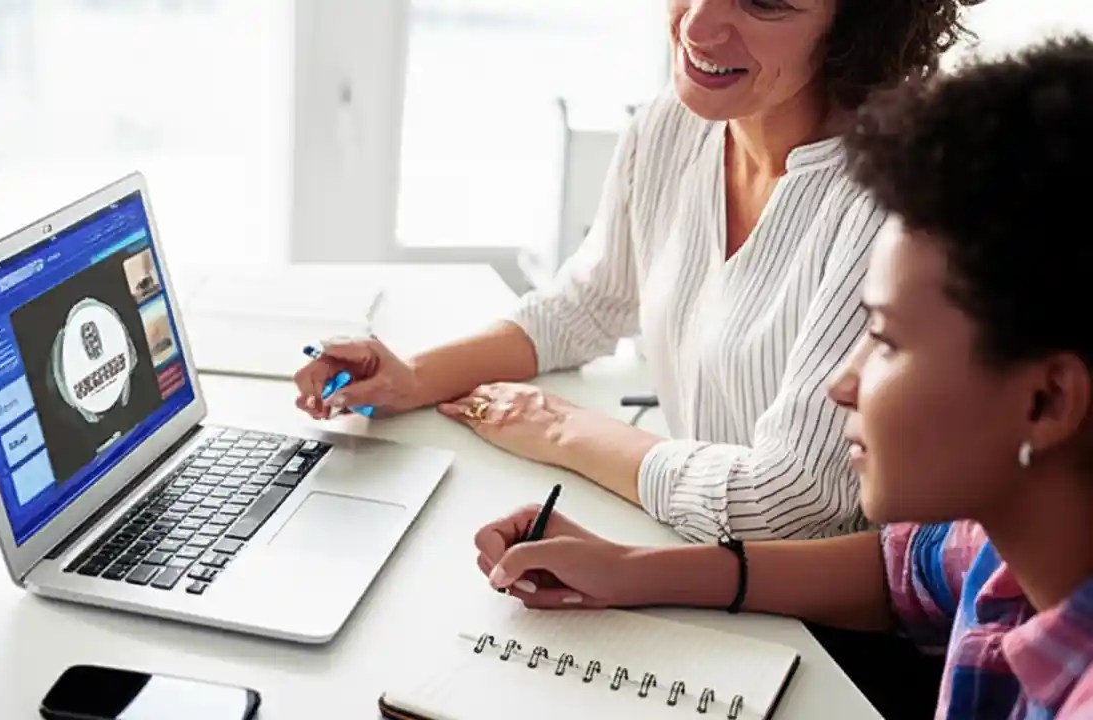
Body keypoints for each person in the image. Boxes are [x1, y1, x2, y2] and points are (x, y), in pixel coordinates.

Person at [472, 36, 1093, 718]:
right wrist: (629, 568)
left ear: (1047, 400)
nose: (842, 383)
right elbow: (896, 573)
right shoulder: (1006, 541)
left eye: (885, 342)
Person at [295, 0, 979, 542]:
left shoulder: (891, 199)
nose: (698, 26)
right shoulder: (671, 127)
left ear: (857, 25)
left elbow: (790, 500)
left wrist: (561, 430)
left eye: (764, 2)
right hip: (689, 545)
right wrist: (412, 375)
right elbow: (585, 305)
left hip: (822, 618)